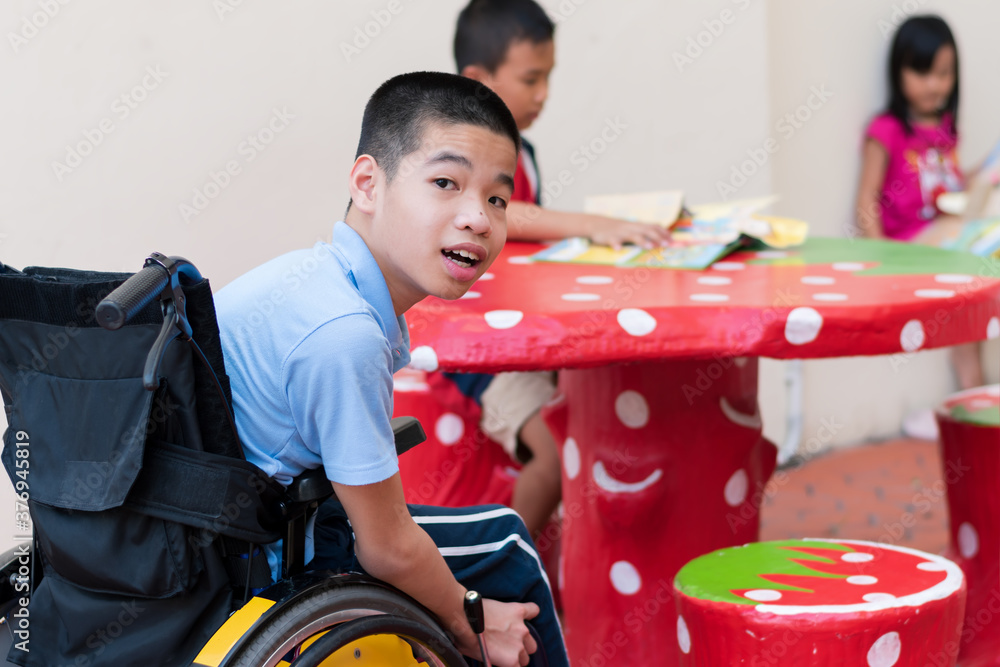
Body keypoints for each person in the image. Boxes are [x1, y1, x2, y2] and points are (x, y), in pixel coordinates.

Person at [215, 71, 568, 667]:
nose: (478, 218)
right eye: (445, 183)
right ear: (368, 183)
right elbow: (388, 550)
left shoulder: (309, 279)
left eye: (496, 198)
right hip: (268, 563)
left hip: (246, 526)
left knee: (497, 536)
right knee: (510, 552)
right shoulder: (343, 336)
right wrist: (473, 620)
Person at [432, 0, 671, 539]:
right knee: (556, 449)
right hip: (480, 354)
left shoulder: (522, 149)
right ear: (478, 79)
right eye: (531, 78)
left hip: (525, 335)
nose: (543, 93)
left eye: (549, 77)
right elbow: (506, 216)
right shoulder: (455, 154)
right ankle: (506, 568)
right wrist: (589, 224)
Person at [855, 15, 986, 440]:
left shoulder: (946, 132)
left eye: (945, 73)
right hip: (908, 249)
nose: (935, 85)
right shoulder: (887, 131)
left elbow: (950, 186)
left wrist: (984, 172)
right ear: (899, 72)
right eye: (923, 71)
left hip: (948, 245)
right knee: (973, 248)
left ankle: (974, 396)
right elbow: (865, 204)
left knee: (974, 298)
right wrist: (881, 261)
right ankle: (974, 397)